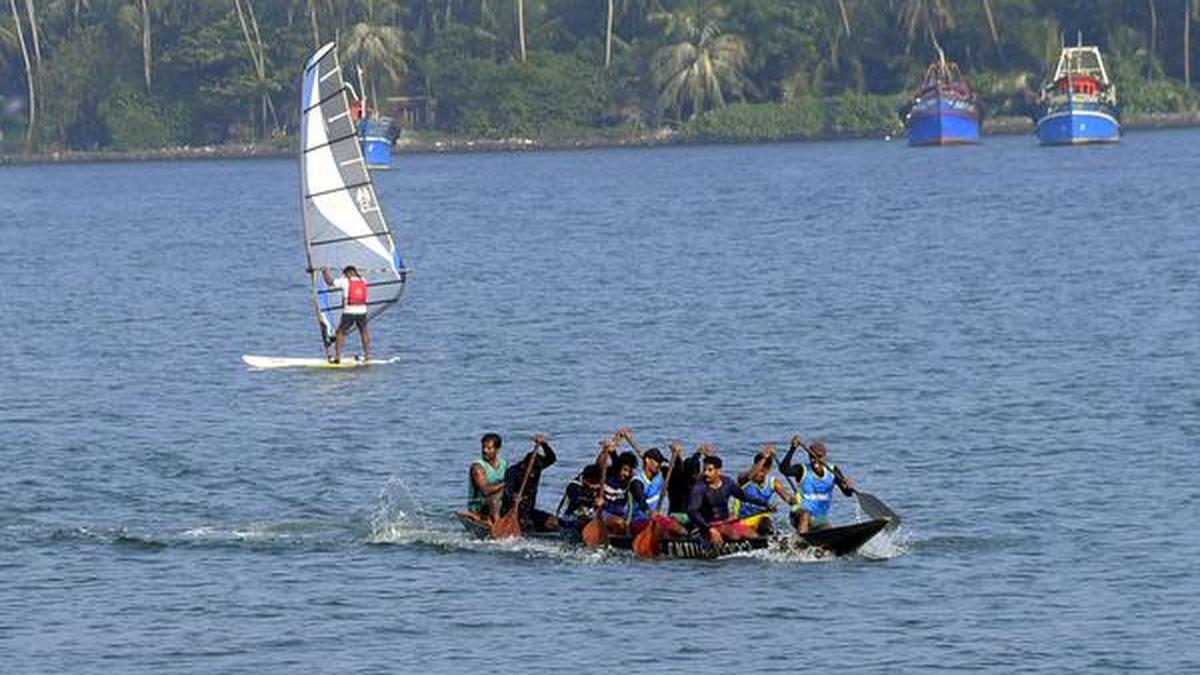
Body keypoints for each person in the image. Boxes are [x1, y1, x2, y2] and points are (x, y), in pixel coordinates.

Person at [687, 455, 770, 547]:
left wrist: (765, 504)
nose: (706, 473)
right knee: (734, 536)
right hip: (707, 525)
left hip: (727, 522)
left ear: (718, 471)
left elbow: (744, 496)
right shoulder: (698, 488)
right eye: (704, 470)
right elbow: (692, 511)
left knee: (753, 535)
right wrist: (709, 529)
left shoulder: (728, 483)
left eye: (710, 470)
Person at [779, 436, 856, 534]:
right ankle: (799, 543)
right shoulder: (802, 470)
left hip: (819, 518)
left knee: (829, 533)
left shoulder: (833, 471)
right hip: (799, 514)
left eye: (818, 457)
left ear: (824, 457)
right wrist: (792, 449)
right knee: (805, 515)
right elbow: (784, 470)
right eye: (811, 457)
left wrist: (849, 487)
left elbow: (847, 493)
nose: (814, 460)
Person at [733, 444, 797, 535]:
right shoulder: (743, 479)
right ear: (754, 466)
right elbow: (751, 473)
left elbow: (788, 498)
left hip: (760, 519)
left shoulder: (773, 482)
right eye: (758, 470)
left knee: (766, 522)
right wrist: (764, 457)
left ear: (768, 470)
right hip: (743, 520)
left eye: (763, 471)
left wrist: (797, 501)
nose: (760, 474)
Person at [628, 444, 689, 538]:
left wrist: (677, 456)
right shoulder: (637, 481)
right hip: (639, 520)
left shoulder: (661, 475)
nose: (659, 465)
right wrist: (649, 512)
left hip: (660, 518)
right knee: (661, 529)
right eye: (657, 461)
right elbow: (641, 501)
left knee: (682, 530)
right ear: (647, 460)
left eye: (660, 462)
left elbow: (678, 474)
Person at [501, 434, 559, 532]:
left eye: (535, 472)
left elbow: (551, 459)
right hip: (513, 511)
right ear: (524, 465)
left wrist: (544, 445)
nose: (533, 475)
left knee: (553, 522)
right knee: (526, 525)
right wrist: (514, 497)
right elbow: (507, 491)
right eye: (531, 471)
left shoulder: (536, 467)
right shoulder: (513, 472)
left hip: (529, 510)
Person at [321, 265, 370, 364]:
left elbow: (329, 282)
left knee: (340, 333)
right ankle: (367, 355)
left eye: (344, 274)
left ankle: (338, 357)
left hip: (349, 311)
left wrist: (324, 272)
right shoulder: (364, 280)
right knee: (363, 331)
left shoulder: (345, 281)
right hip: (362, 311)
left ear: (347, 274)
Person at [466, 432, 507, 523]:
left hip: (498, 503)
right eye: (483, 448)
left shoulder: (504, 464)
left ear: (497, 449)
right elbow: (485, 490)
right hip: (479, 506)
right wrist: (505, 484)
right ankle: (498, 527)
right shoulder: (477, 467)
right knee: (494, 499)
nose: (485, 451)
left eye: (489, 448)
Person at [600, 450, 640, 535]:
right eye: (625, 470)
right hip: (604, 512)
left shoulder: (631, 481)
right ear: (619, 468)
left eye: (629, 471)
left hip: (621, 514)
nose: (627, 474)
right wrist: (608, 451)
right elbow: (600, 464)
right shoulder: (608, 474)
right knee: (619, 523)